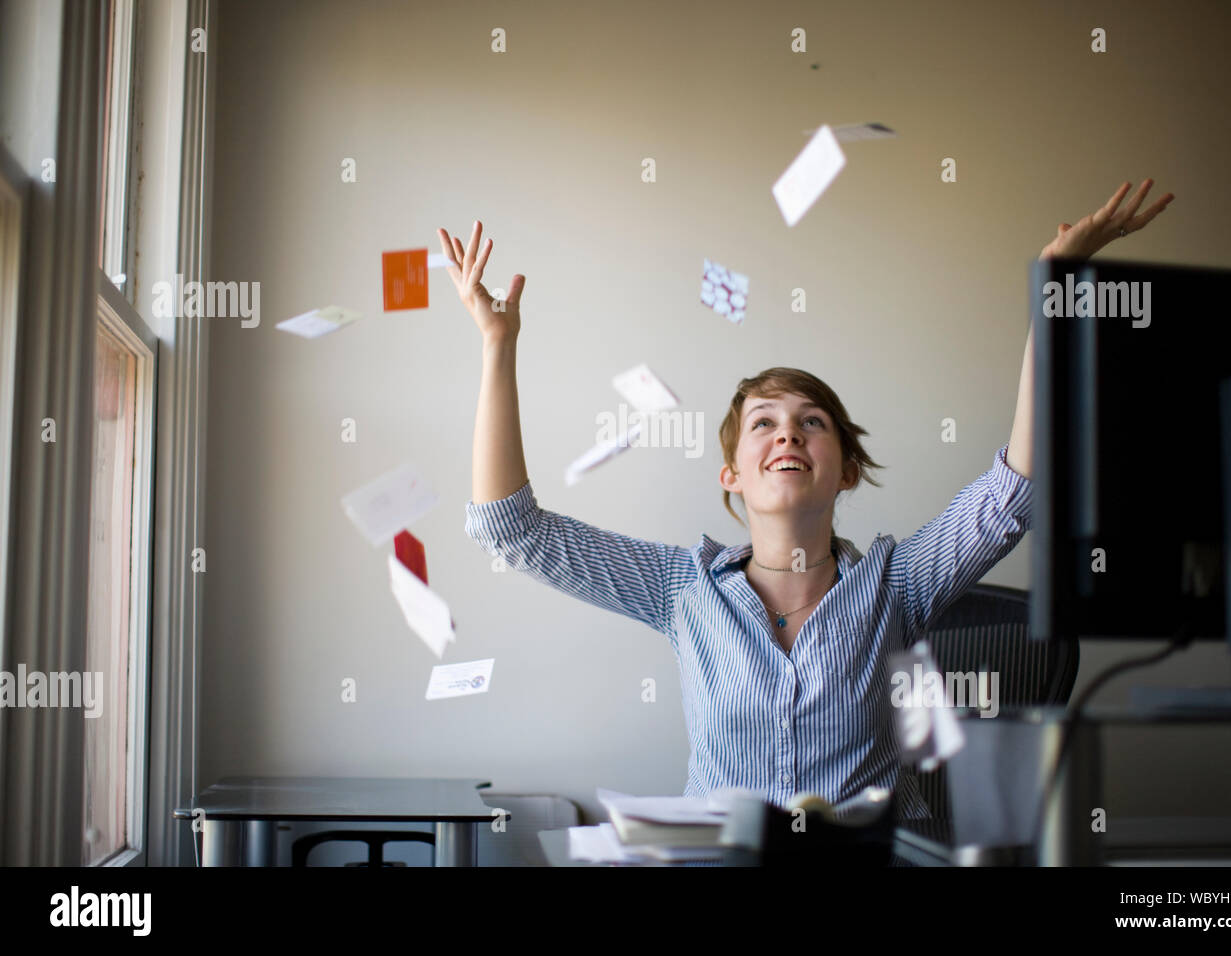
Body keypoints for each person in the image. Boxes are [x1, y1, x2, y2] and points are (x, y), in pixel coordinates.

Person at [440, 179, 1173, 818]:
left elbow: (1015, 491)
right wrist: (496, 345)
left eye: (811, 423)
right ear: (732, 474)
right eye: (764, 424)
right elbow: (512, 531)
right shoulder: (680, 592)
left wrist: (1054, 284)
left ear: (846, 470)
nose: (787, 435)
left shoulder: (899, 585)